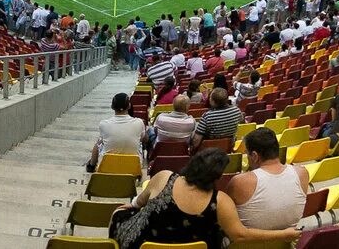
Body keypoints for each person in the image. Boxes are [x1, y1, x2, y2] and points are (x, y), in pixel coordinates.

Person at [109, 148, 300, 249]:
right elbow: (241, 235)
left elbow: (136, 203)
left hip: (144, 245)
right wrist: (284, 234)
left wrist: (124, 209)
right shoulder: (221, 201)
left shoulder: (164, 176)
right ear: (216, 176)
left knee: (121, 212)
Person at [228, 128, 309, 232]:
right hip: (286, 243)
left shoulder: (239, 182)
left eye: (247, 154)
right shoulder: (302, 173)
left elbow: (226, 215)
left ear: (254, 156)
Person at [89, 93, 146, 169]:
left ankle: (91, 165)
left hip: (107, 167)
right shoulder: (139, 122)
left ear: (112, 107)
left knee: (99, 142)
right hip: (133, 168)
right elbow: (143, 139)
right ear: (129, 106)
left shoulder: (104, 124)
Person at [189, 88, 243, 152]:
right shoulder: (236, 111)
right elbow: (242, 123)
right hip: (229, 147)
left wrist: (191, 149)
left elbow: (196, 141)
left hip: (211, 151)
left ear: (213, 101)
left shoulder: (207, 116)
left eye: (210, 97)